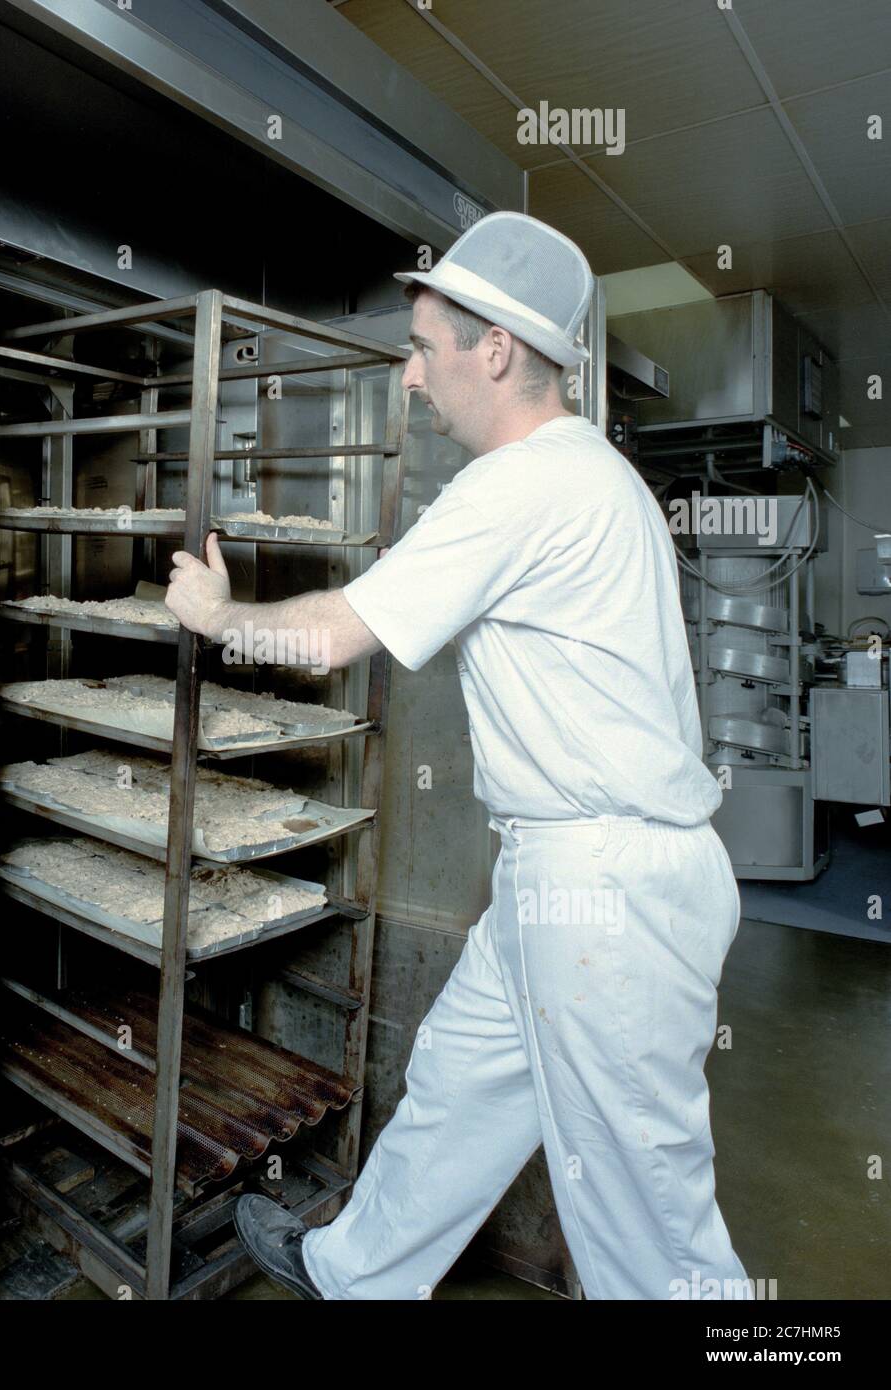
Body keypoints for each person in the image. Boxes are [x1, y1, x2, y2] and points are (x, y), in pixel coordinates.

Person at [163, 211, 749, 1301]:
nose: (415, 378)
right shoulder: (596, 474)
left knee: (648, 1223)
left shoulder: (521, 485)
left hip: (606, 892)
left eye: (427, 349)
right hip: (568, 874)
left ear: (497, 350)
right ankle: (356, 1271)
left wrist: (217, 615)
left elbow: (333, 634)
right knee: (461, 1087)